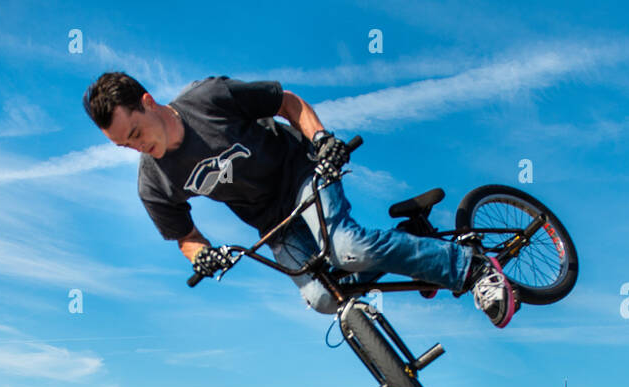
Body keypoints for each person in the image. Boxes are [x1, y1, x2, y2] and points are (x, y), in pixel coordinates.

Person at [83, 72, 519, 327]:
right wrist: (201, 257)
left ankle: (473, 266)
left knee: (347, 248)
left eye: (136, 133)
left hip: (302, 171)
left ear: (148, 102)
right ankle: (412, 241)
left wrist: (322, 139)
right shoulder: (153, 183)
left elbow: (287, 102)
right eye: (125, 146)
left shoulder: (208, 99)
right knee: (325, 299)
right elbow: (185, 235)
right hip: (273, 221)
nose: (137, 147)